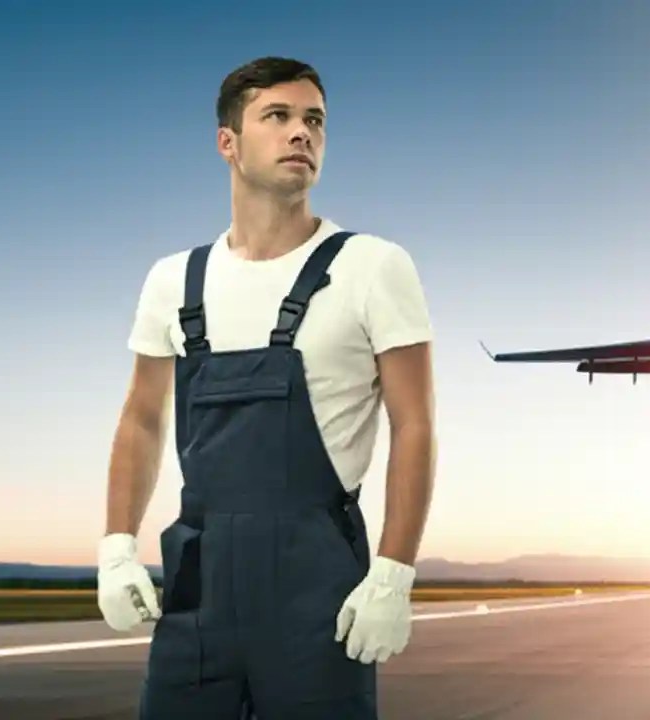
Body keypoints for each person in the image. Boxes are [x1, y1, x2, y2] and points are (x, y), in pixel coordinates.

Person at [94, 56, 437, 719]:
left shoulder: (374, 267)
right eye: (277, 116)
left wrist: (394, 573)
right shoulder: (173, 280)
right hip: (197, 585)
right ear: (228, 142)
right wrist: (116, 547)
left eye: (315, 120)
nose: (301, 133)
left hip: (319, 588)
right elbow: (141, 418)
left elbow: (415, 424)